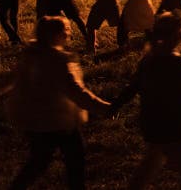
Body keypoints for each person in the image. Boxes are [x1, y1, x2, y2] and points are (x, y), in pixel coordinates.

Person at [111, 13, 181, 190]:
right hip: (170, 124)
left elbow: (132, 87)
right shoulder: (172, 61)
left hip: (152, 121)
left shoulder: (149, 58)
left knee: (149, 165)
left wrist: (115, 105)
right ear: (175, 35)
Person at [7, 16, 110, 190]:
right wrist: (103, 107)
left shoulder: (31, 55)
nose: (68, 34)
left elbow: (12, 80)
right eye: (66, 31)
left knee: (40, 161)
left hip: (36, 119)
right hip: (57, 120)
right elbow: (75, 91)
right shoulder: (58, 60)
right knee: (73, 160)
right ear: (55, 35)